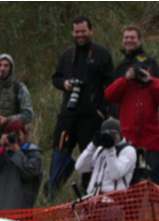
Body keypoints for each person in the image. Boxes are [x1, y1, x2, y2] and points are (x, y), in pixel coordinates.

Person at [45, 15, 115, 197]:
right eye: (77, 32)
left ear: (91, 31)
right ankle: (52, 192)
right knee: (60, 153)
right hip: (68, 114)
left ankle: (89, 194)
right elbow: (55, 77)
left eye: (83, 31)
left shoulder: (102, 54)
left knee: (90, 156)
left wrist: (103, 111)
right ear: (72, 32)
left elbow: (111, 85)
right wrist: (65, 83)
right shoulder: (68, 55)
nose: (80, 35)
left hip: (91, 116)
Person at [105, 53, 159, 185]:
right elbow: (109, 95)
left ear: (149, 69)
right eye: (137, 69)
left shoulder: (154, 84)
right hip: (129, 141)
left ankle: (154, 205)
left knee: (154, 179)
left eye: (144, 69)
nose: (140, 73)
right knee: (129, 180)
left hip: (151, 140)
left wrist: (150, 81)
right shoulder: (125, 84)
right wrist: (125, 79)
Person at [0, 119, 42, 211]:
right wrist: (1, 149)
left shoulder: (33, 153)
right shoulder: (6, 152)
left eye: (18, 135)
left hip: (19, 206)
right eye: (11, 135)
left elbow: (29, 173)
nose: (15, 139)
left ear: (25, 134)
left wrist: (17, 152)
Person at [74, 118, 137, 197]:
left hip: (114, 201)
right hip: (93, 198)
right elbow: (79, 167)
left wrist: (110, 149)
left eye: (114, 133)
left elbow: (116, 174)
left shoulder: (128, 150)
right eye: (107, 134)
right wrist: (92, 146)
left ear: (120, 133)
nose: (112, 137)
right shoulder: (100, 150)